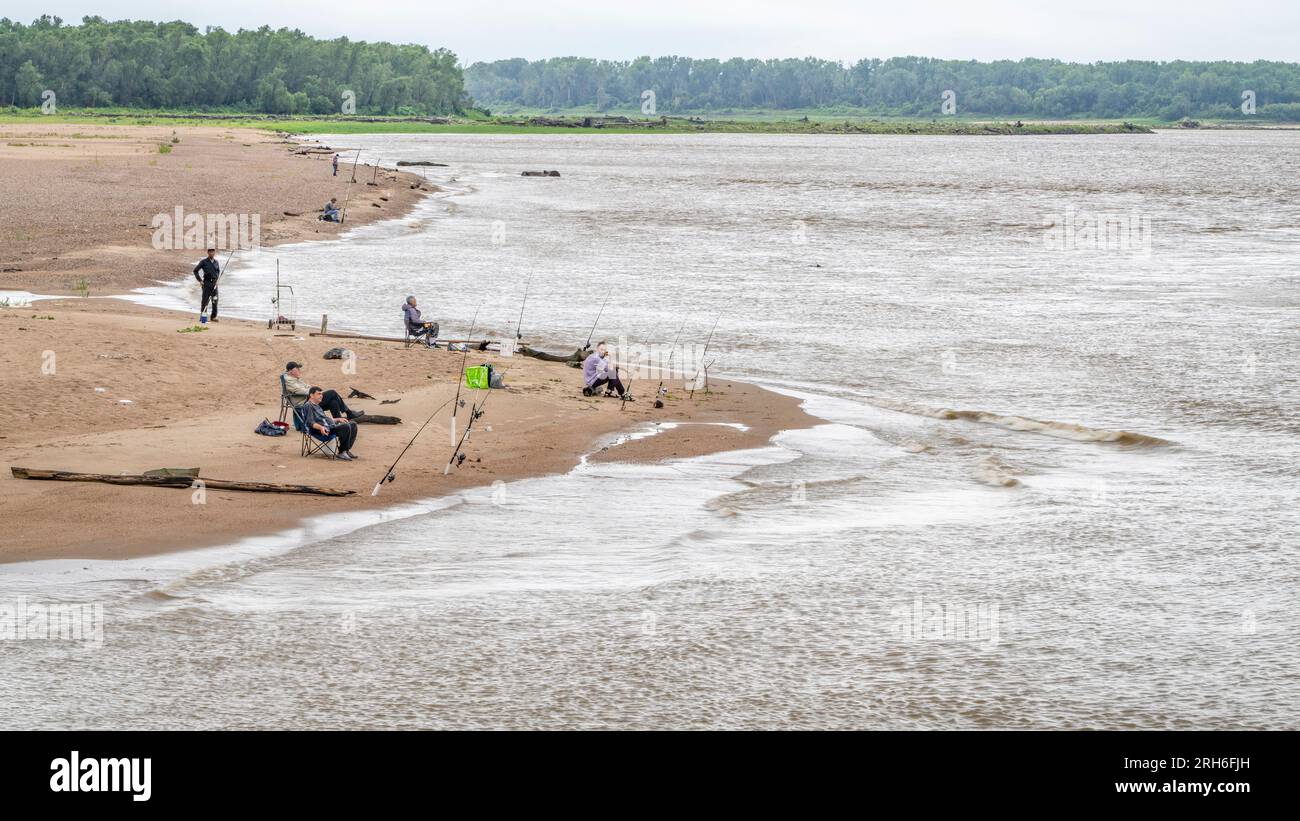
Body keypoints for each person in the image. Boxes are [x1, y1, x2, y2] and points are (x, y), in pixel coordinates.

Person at [281, 361, 364, 420]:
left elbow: (307, 387)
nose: (299, 370)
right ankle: (349, 413)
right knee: (332, 392)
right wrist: (315, 391)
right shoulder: (290, 381)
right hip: (304, 402)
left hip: (307, 398)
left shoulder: (294, 378)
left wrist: (313, 390)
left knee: (333, 402)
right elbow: (304, 391)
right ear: (291, 371)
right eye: (297, 369)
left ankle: (339, 420)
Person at [299, 386, 359, 460]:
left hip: (328, 427)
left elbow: (324, 420)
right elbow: (310, 422)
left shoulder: (317, 406)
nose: (321, 396)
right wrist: (321, 427)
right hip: (319, 431)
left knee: (353, 424)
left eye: (321, 394)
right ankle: (342, 452)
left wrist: (338, 419)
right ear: (311, 395)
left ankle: (346, 450)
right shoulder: (308, 406)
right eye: (318, 394)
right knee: (345, 426)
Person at [193, 248, 221, 322]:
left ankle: (213, 317)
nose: (212, 253)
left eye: (213, 252)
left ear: (214, 252)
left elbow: (218, 271)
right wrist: (200, 280)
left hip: (214, 284)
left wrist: (217, 280)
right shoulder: (203, 262)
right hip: (206, 284)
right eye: (210, 252)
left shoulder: (216, 262)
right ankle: (203, 317)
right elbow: (195, 271)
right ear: (208, 253)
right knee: (205, 301)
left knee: (215, 300)